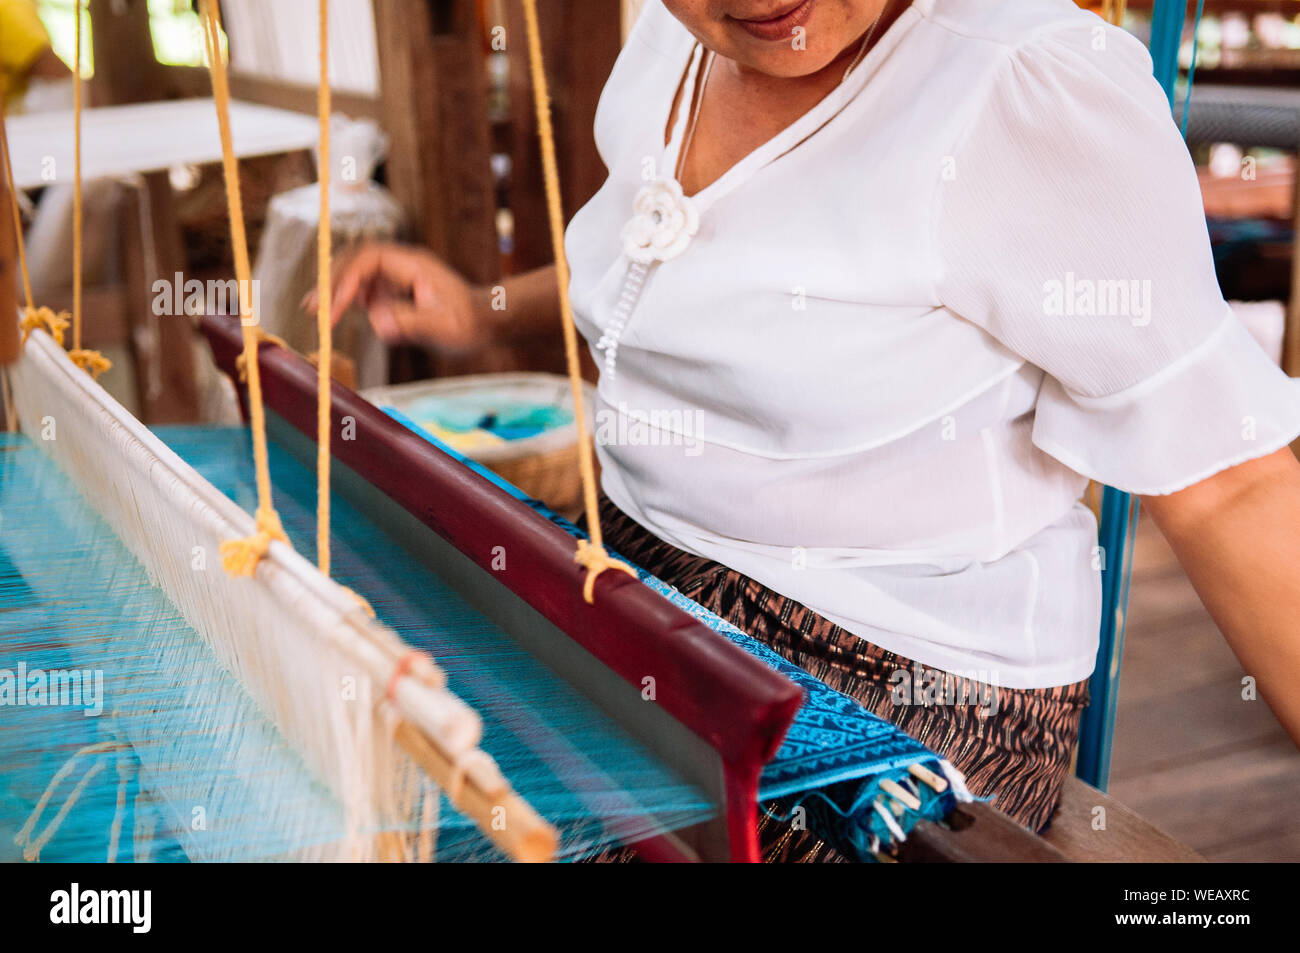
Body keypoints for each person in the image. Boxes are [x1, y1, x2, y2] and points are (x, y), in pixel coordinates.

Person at [314, 0, 1300, 859]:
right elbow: (647, 264)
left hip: (894, 680)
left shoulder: (1021, 87)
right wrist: (479, 311)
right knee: (378, 748)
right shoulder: (676, 41)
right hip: (643, 588)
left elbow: (1229, 482)